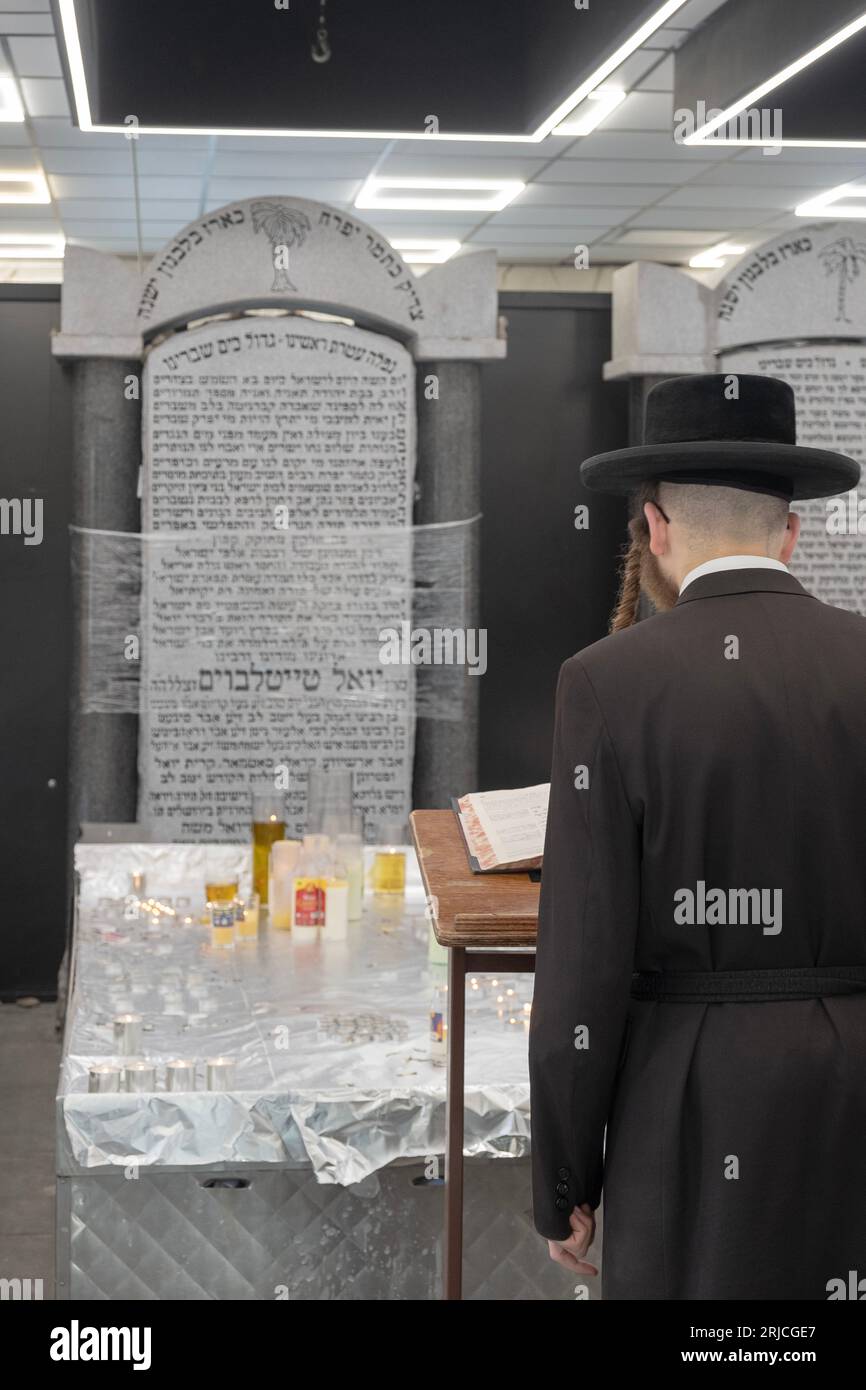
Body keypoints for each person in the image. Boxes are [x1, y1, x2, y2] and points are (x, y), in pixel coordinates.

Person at [528, 372, 866, 1299]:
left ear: (657, 530)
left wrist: (565, 1181)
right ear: (791, 530)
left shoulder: (604, 681)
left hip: (690, 1093)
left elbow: (581, 970)